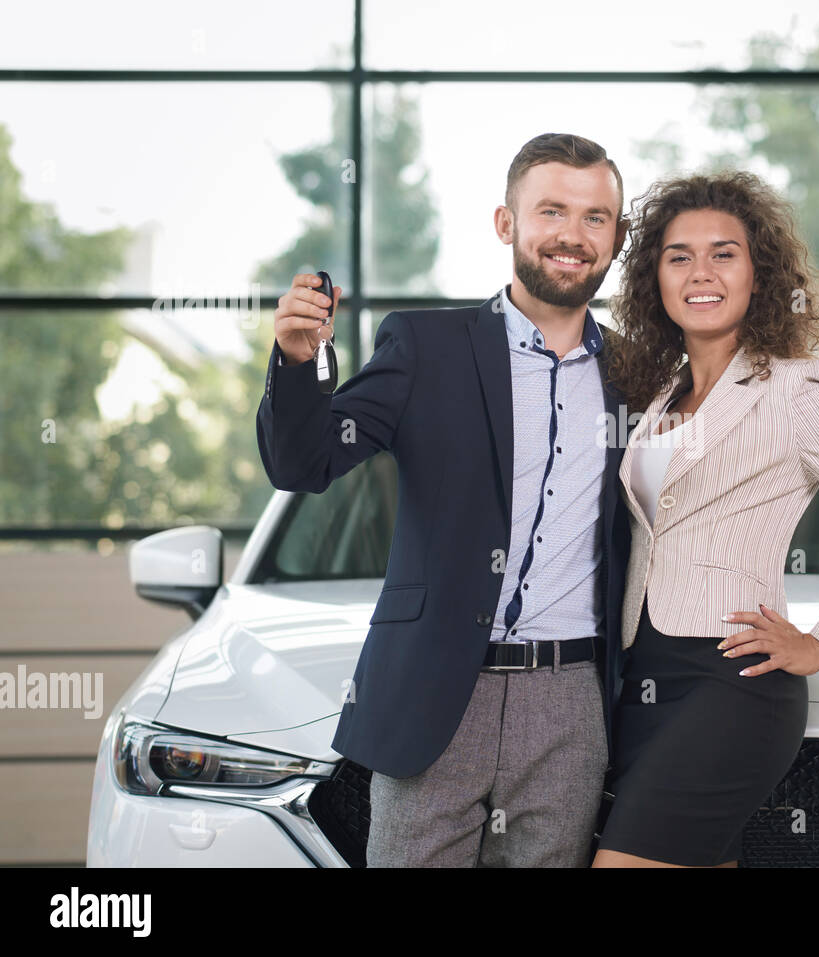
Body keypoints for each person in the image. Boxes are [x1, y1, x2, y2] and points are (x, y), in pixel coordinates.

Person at [256, 132, 633, 866]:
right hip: (436, 688)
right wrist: (298, 362)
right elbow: (304, 461)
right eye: (551, 210)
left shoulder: (636, 373)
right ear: (506, 224)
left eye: (596, 217)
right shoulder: (426, 347)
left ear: (615, 237)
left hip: (573, 701)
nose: (573, 235)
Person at [592, 170, 819, 868]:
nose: (702, 272)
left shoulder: (793, 389)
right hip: (645, 676)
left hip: (734, 682)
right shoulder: (657, 394)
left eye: (724, 253)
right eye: (678, 255)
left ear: (759, 273)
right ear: (655, 279)